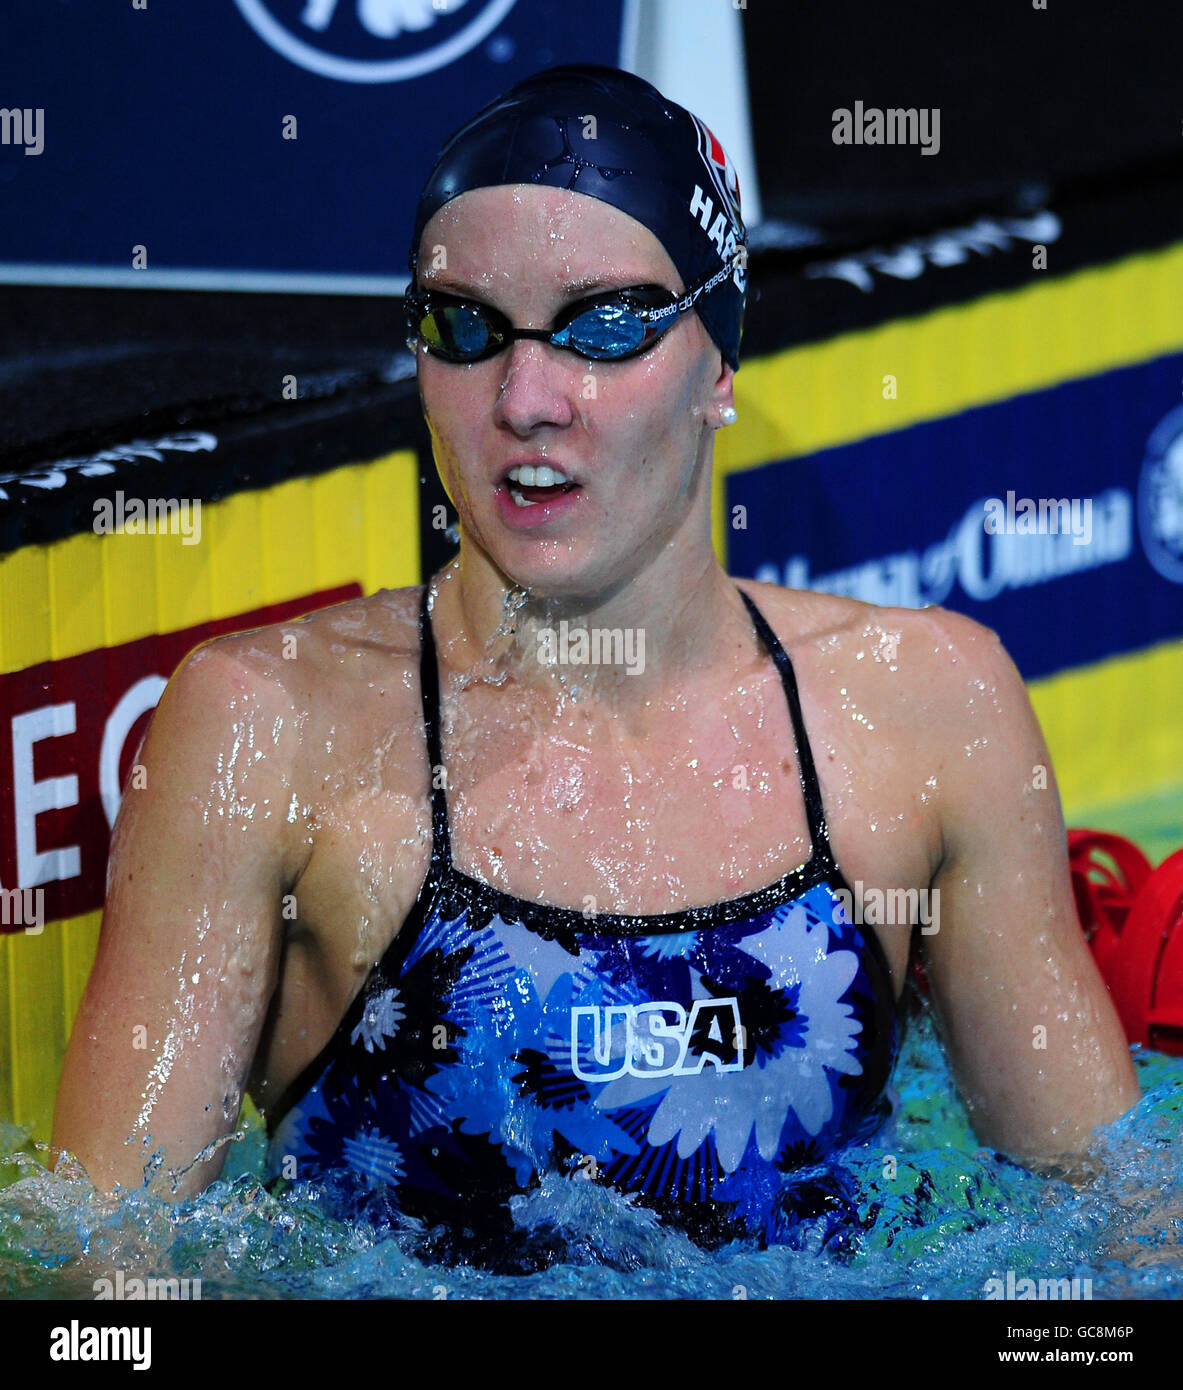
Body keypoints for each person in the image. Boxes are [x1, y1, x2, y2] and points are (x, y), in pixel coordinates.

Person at [53, 65, 1139, 1255]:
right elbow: (106, 1267)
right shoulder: (262, 725)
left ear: (719, 366)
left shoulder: (931, 709)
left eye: (606, 326)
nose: (525, 397)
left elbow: (1112, 1225)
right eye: (465, 326)